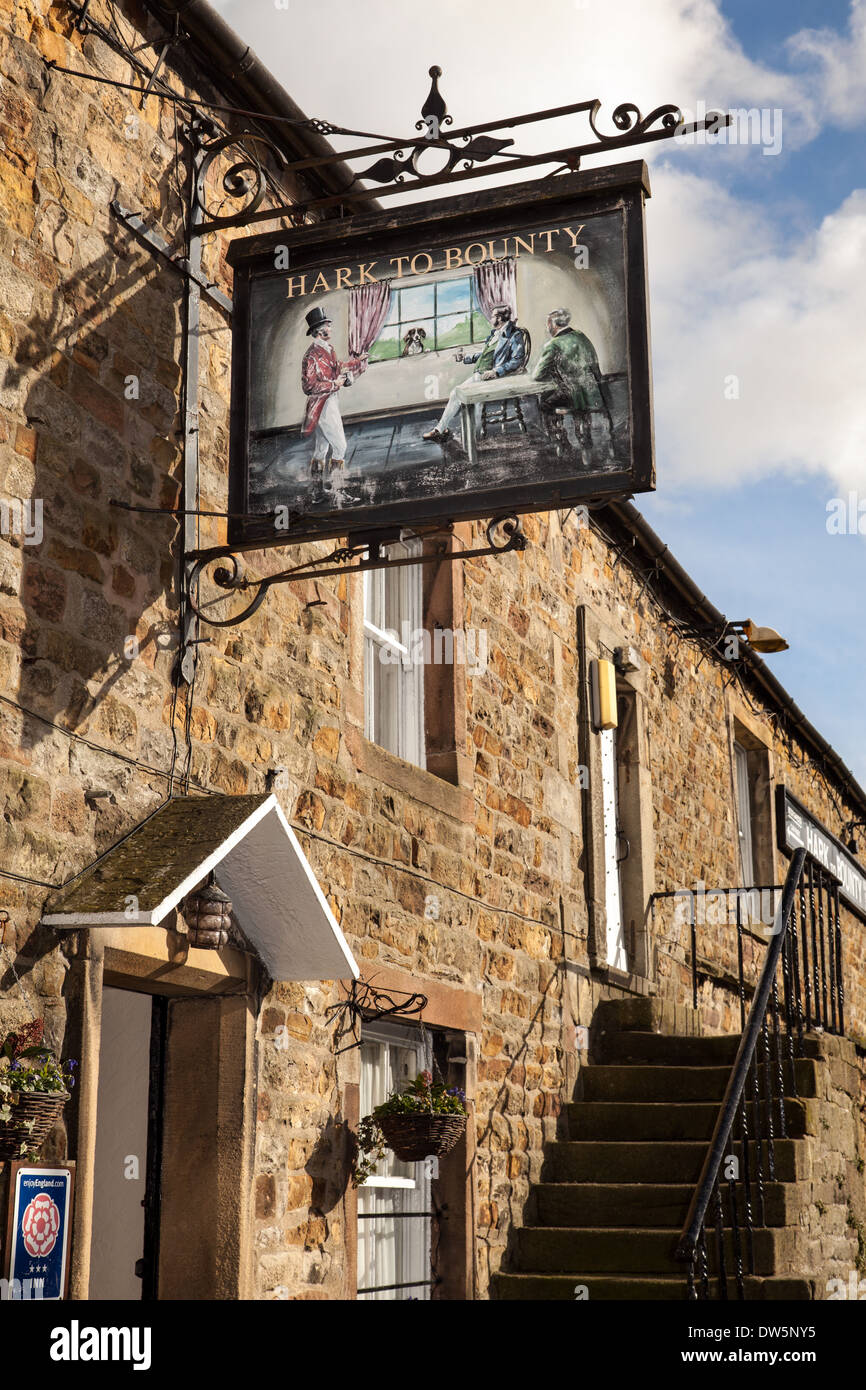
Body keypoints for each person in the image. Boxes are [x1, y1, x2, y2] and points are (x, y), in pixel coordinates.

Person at [423, 304, 526, 443]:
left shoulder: (514, 335)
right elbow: (485, 355)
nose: (490, 319)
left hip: (496, 378)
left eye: (492, 316)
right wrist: (466, 358)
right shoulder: (495, 334)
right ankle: (442, 430)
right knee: (456, 394)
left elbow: (517, 360)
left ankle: (471, 437)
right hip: (481, 375)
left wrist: (496, 371)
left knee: (472, 402)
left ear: (500, 318)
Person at [300, 305, 368, 485]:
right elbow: (308, 386)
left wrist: (356, 362)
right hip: (322, 404)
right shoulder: (311, 356)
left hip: (330, 400)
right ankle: (338, 489)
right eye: (327, 325)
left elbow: (338, 366)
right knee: (341, 446)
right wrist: (333, 384)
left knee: (322, 448)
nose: (330, 328)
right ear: (319, 331)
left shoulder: (328, 348)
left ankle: (317, 491)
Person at [532, 307, 608, 455]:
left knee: (544, 405)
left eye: (547, 324)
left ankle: (561, 442)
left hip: (573, 395)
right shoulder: (581, 336)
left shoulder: (553, 344)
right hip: (594, 390)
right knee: (579, 410)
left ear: (552, 325)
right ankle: (586, 444)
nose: (547, 328)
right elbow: (593, 363)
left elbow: (537, 375)